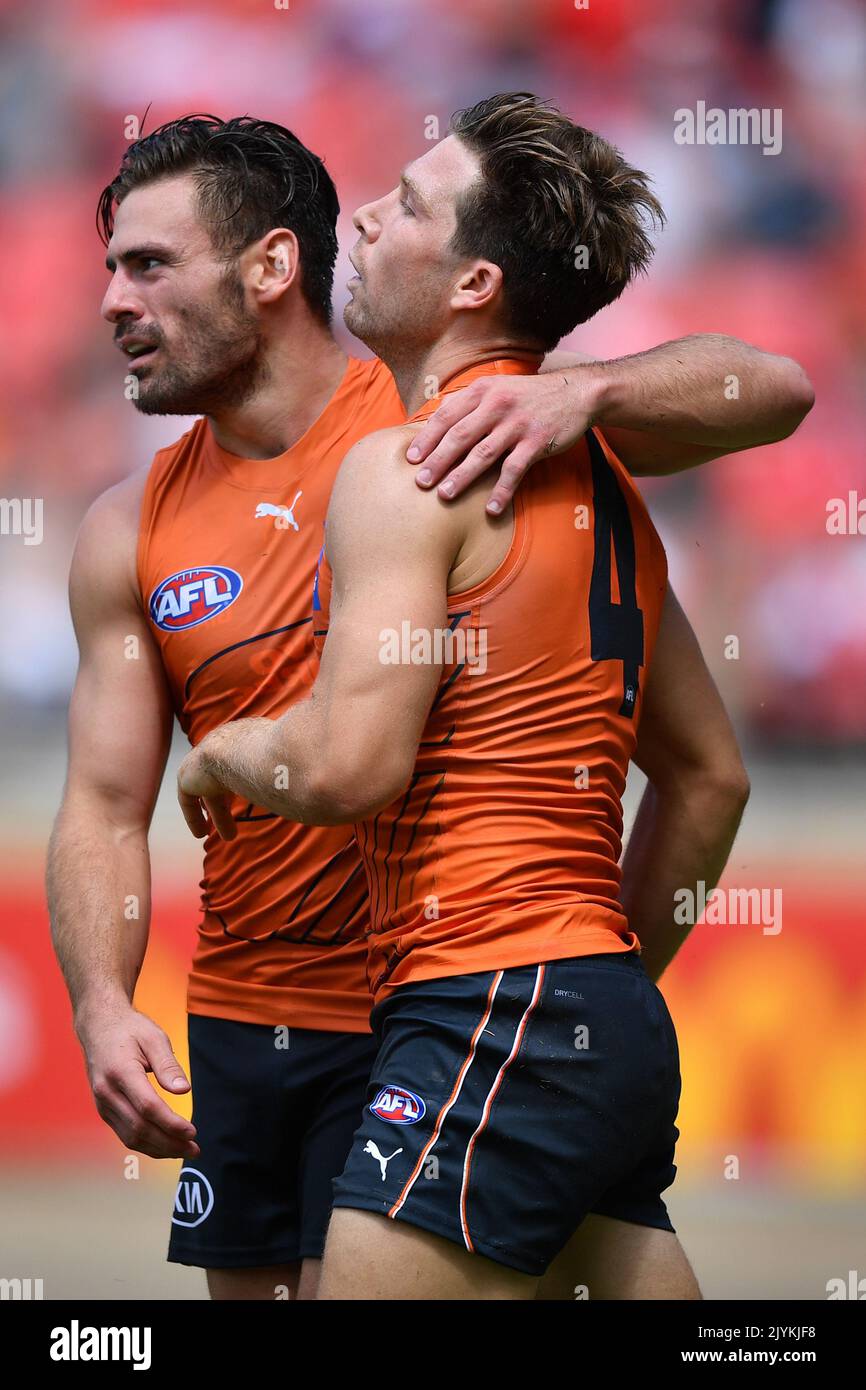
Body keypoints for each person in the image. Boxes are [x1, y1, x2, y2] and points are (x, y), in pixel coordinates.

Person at [47, 107, 810, 1301]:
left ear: (269, 267)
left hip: (442, 1006)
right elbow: (99, 803)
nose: (112, 302)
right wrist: (101, 1003)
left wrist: (585, 390)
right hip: (273, 1019)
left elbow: (771, 387)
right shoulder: (129, 527)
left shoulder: (458, 437)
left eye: (149, 264)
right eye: (111, 267)